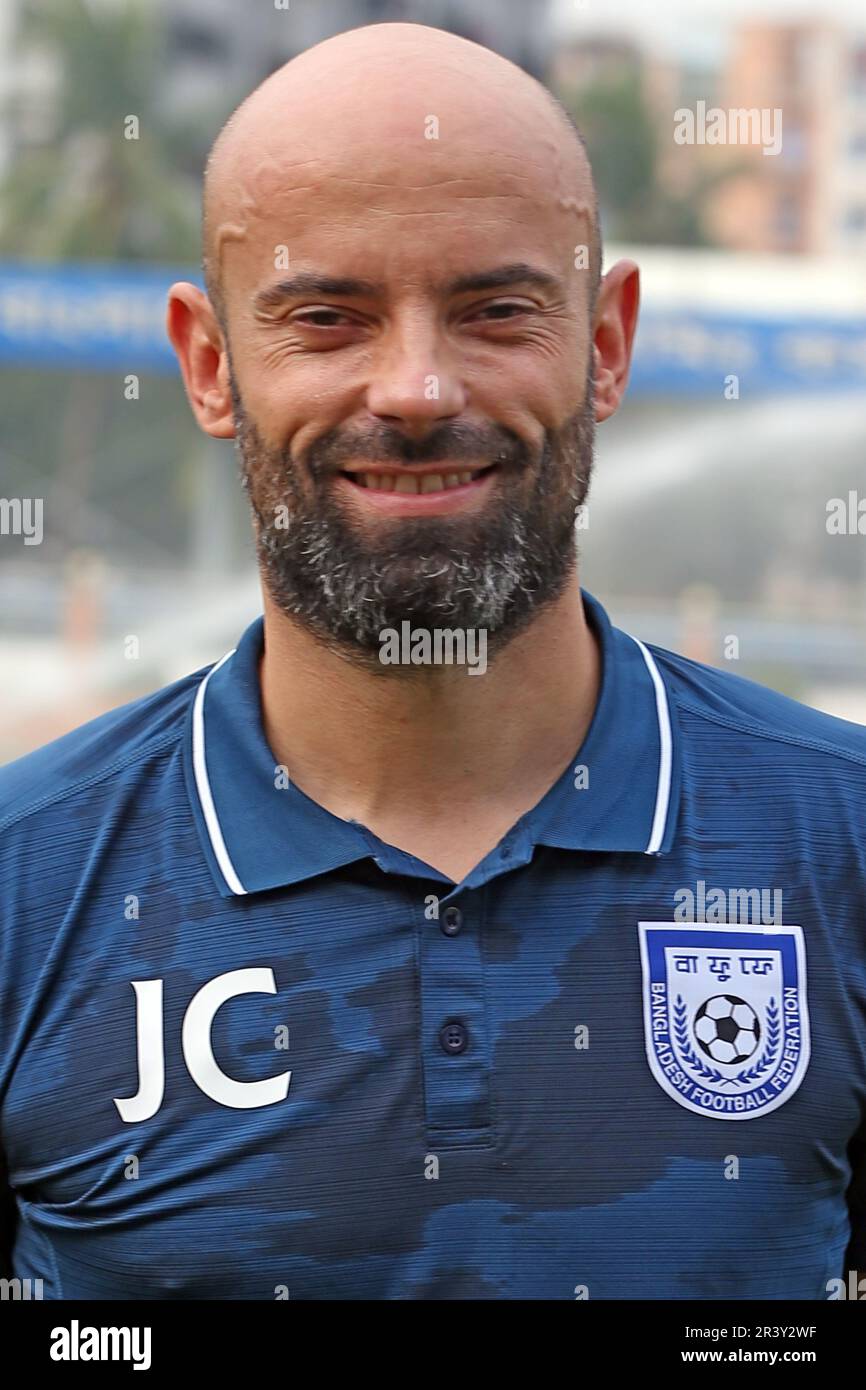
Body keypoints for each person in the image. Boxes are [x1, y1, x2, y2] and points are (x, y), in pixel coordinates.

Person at [0, 21, 864, 1301]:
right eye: (327, 316)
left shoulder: (838, 839)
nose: (412, 389)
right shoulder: (28, 884)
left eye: (494, 309)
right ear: (207, 363)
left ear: (606, 341)